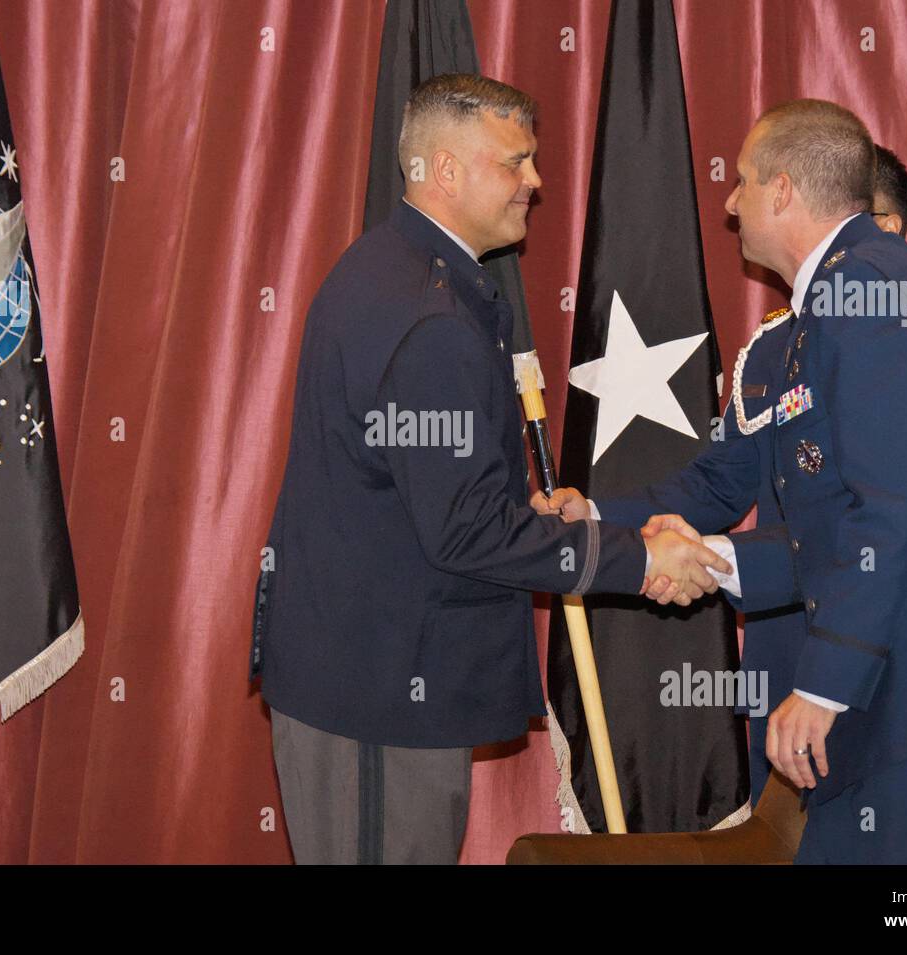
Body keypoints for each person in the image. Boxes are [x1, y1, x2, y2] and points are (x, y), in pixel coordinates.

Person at [537, 100, 907, 863]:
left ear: (784, 191)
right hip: (899, 685)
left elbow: (888, 512)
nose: (728, 201)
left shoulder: (869, 291)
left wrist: (821, 688)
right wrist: (671, 545)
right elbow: (822, 518)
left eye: (744, 182)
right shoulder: (813, 322)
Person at [249, 73, 731, 865]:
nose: (535, 183)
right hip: (379, 698)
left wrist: (529, 514)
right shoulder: (430, 318)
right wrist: (639, 557)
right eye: (516, 162)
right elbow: (464, 532)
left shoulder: (385, 266)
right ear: (445, 171)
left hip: (367, 675)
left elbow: (419, 494)